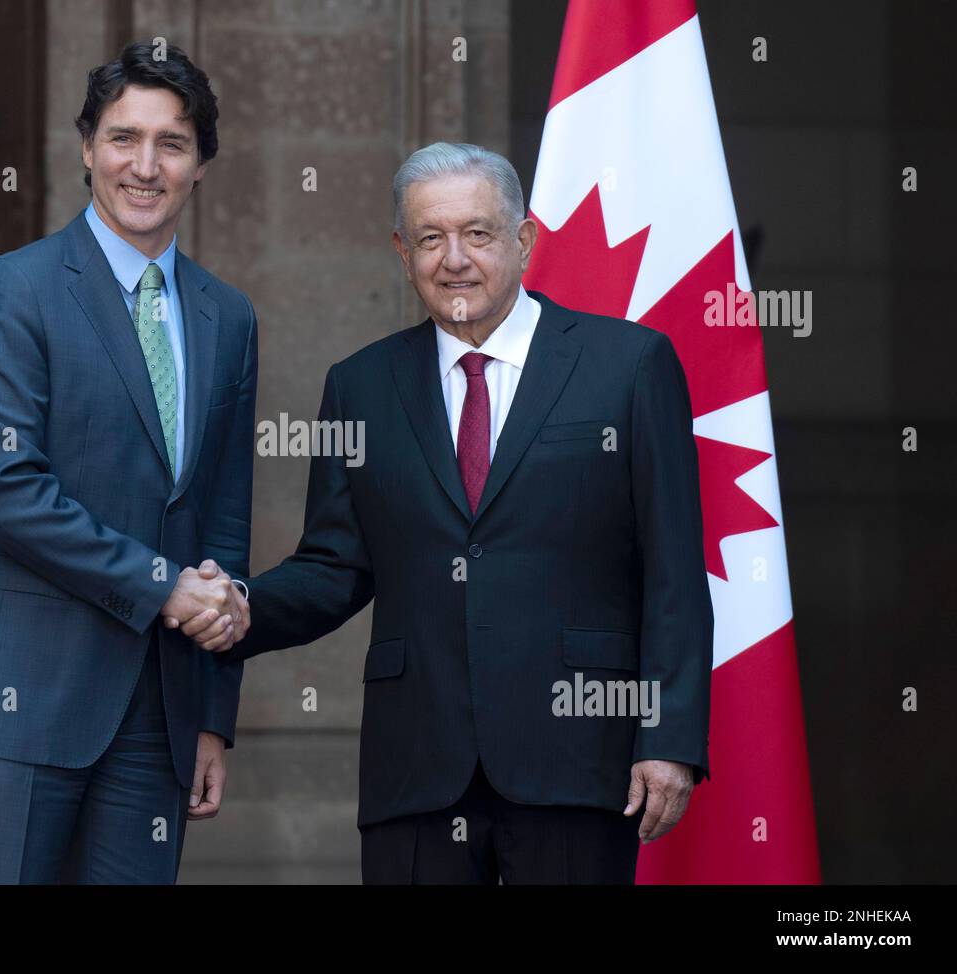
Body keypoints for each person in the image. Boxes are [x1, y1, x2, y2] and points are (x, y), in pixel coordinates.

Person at [176, 142, 713, 884]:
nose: (454, 258)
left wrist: (670, 736)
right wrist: (237, 608)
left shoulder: (629, 365)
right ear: (403, 252)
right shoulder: (359, 386)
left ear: (522, 240)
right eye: (430, 237)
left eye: (478, 233)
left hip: (576, 760)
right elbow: (334, 567)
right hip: (418, 770)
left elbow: (675, 570)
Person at [0, 41, 254, 884]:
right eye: (123, 138)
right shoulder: (13, 288)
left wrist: (210, 713)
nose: (145, 165)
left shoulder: (227, 317)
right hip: (15, 699)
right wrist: (166, 586)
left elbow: (225, 518)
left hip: (155, 715)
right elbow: (7, 491)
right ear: (86, 148)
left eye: (171, 144)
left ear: (201, 163)